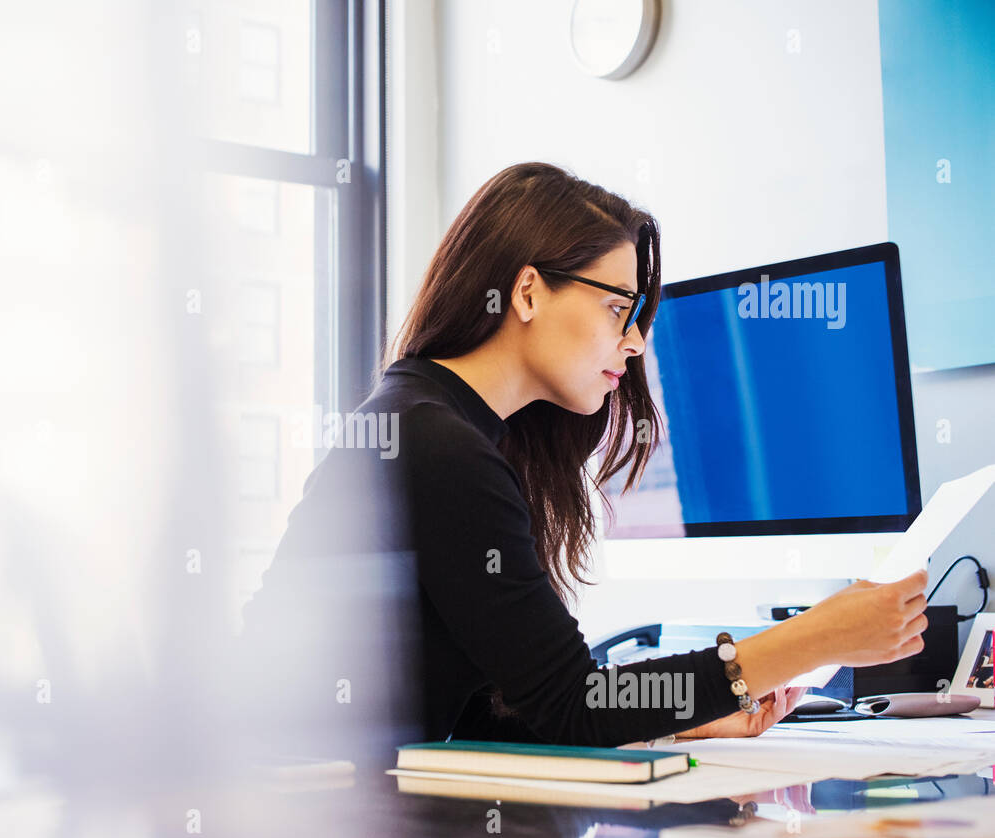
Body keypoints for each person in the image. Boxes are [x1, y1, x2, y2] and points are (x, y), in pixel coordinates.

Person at [238, 161, 928, 761]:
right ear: (528, 291)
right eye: (616, 308)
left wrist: (688, 719)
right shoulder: (436, 442)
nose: (633, 345)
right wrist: (815, 637)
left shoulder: (431, 419)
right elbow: (575, 700)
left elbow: (499, 710)